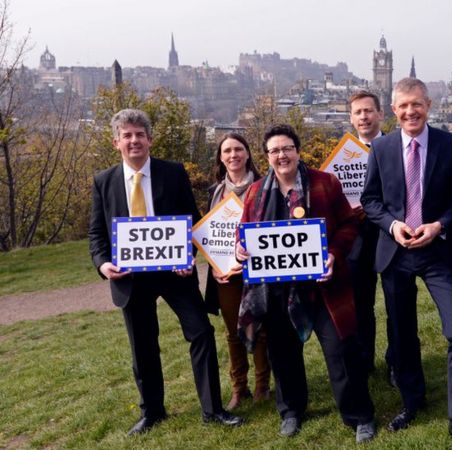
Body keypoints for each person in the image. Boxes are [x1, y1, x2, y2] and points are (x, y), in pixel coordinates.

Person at [88, 109, 243, 435]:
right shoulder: (104, 181)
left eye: (139, 135)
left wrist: (188, 257)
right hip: (130, 278)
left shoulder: (172, 173)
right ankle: (152, 412)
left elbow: (191, 220)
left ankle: (213, 410)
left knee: (201, 332)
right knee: (142, 345)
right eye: (127, 135)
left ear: (150, 139)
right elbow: (96, 234)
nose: (134, 141)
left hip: (176, 275)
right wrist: (103, 264)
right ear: (116, 142)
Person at [361, 78, 452, 450]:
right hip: (396, 252)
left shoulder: (451, 144)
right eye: (403, 106)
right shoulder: (381, 147)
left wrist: (440, 225)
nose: (410, 112)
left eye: (417, 104)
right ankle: (412, 402)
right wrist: (393, 225)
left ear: (428, 105)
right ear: (394, 110)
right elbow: (371, 200)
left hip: (437, 252)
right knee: (402, 335)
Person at [235, 124, 376, 443]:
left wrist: (334, 254)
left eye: (287, 148)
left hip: (325, 286)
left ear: (298, 152)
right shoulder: (256, 192)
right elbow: (243, 232)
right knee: (282, 354)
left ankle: (359, 415)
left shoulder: (325, 183)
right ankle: (291, 411)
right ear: (267, 157)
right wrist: (240, 248)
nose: (281, 155)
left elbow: (349, 225)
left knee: (341, 351)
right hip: (276, 289)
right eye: (274, 151)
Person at [203, 133, 271, 410]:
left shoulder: (265, 185)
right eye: (227, 150)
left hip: (258, 268)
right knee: (232, 332)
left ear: (247, 153)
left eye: (239, 149)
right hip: (226, 274)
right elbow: (210, 233)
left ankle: (262, 386)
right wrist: (215, 265)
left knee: (261, 328)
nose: (233, 155)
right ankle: (238, 388)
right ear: (221, 157)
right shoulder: (215, 192)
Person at [346, 90, 395, 383]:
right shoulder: (342, 154)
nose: (363, 117)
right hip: (356, 239)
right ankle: (365, 361)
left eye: (368, 111)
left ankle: (395, 361)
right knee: (360, 305)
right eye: (358, 112)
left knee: (395, 303)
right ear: (351, 119)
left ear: (380, 114)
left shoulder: (395, 147)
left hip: (390, 235)